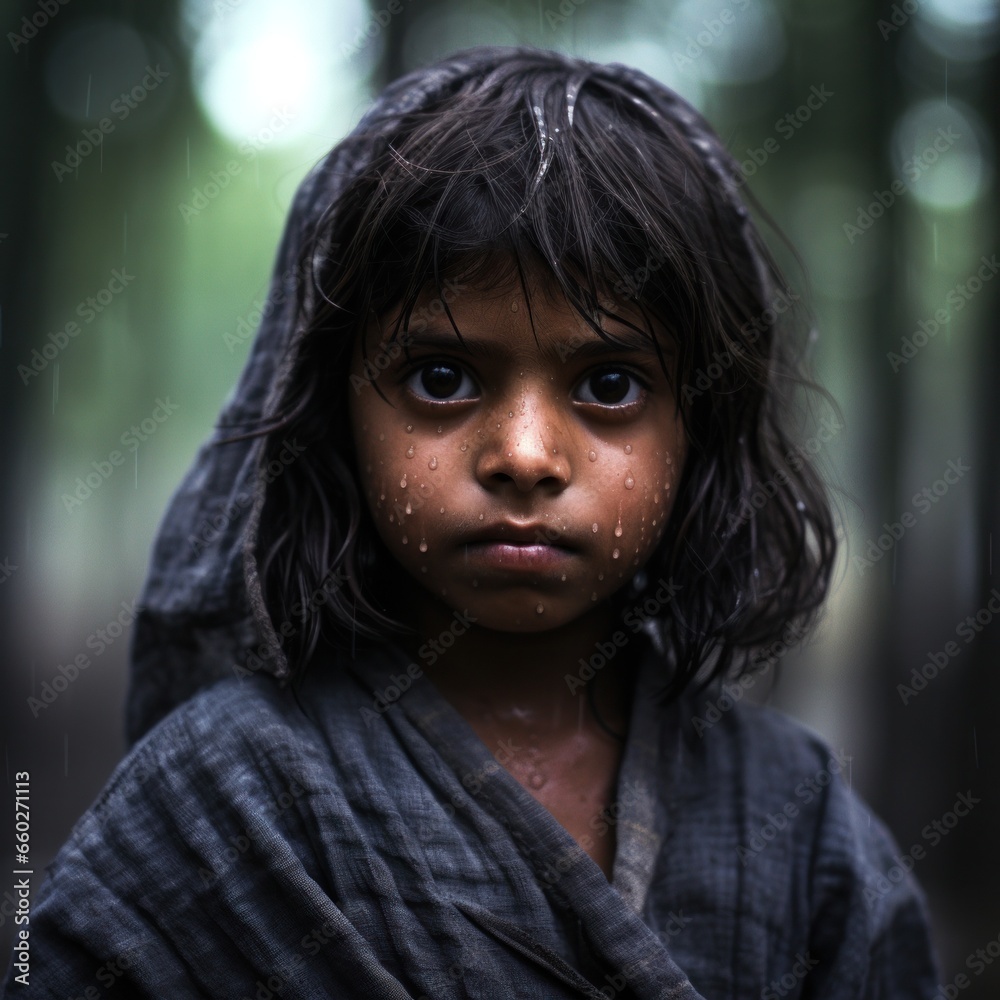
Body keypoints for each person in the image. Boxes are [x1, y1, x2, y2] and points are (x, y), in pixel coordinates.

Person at [4, 48, 939, 998]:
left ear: (700, 429)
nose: (525, 456)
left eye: (610, 386)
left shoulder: (797, 822)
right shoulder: (217, 801)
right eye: (442, 378)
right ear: (334, 413)